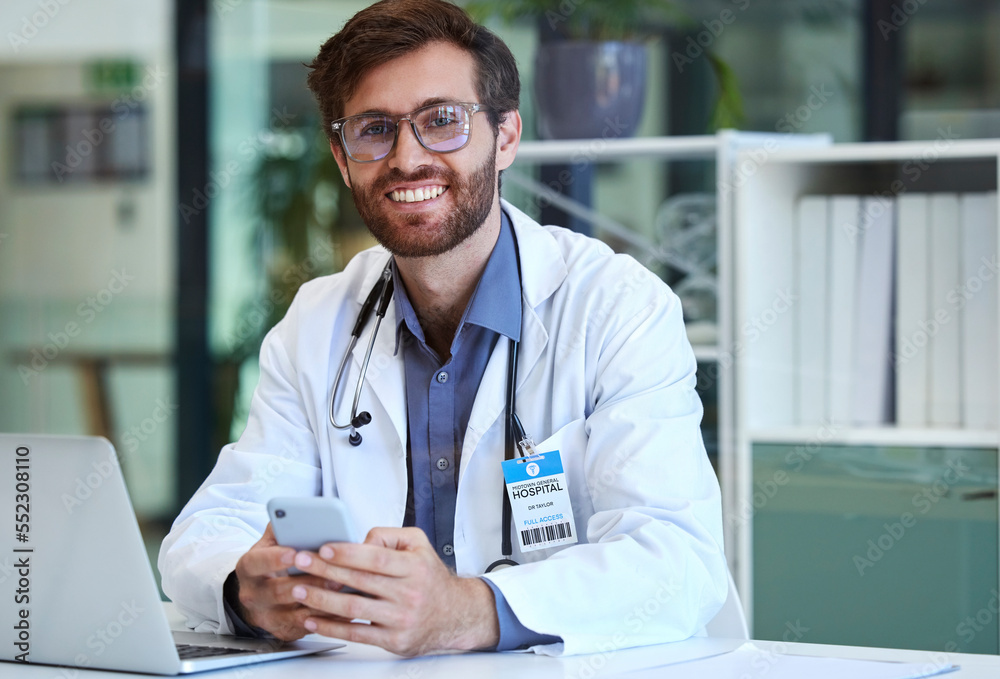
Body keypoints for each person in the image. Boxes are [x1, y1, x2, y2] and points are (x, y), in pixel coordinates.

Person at [159, 0, 726, 657]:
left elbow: (677, 561)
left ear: (506, 136)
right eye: (374, 129)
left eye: (442, 121)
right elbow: (210, 528)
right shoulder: (317, 321)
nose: (407, 157)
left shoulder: (617, 308)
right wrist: (243, 588)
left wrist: (466, 609)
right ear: (344, 159)